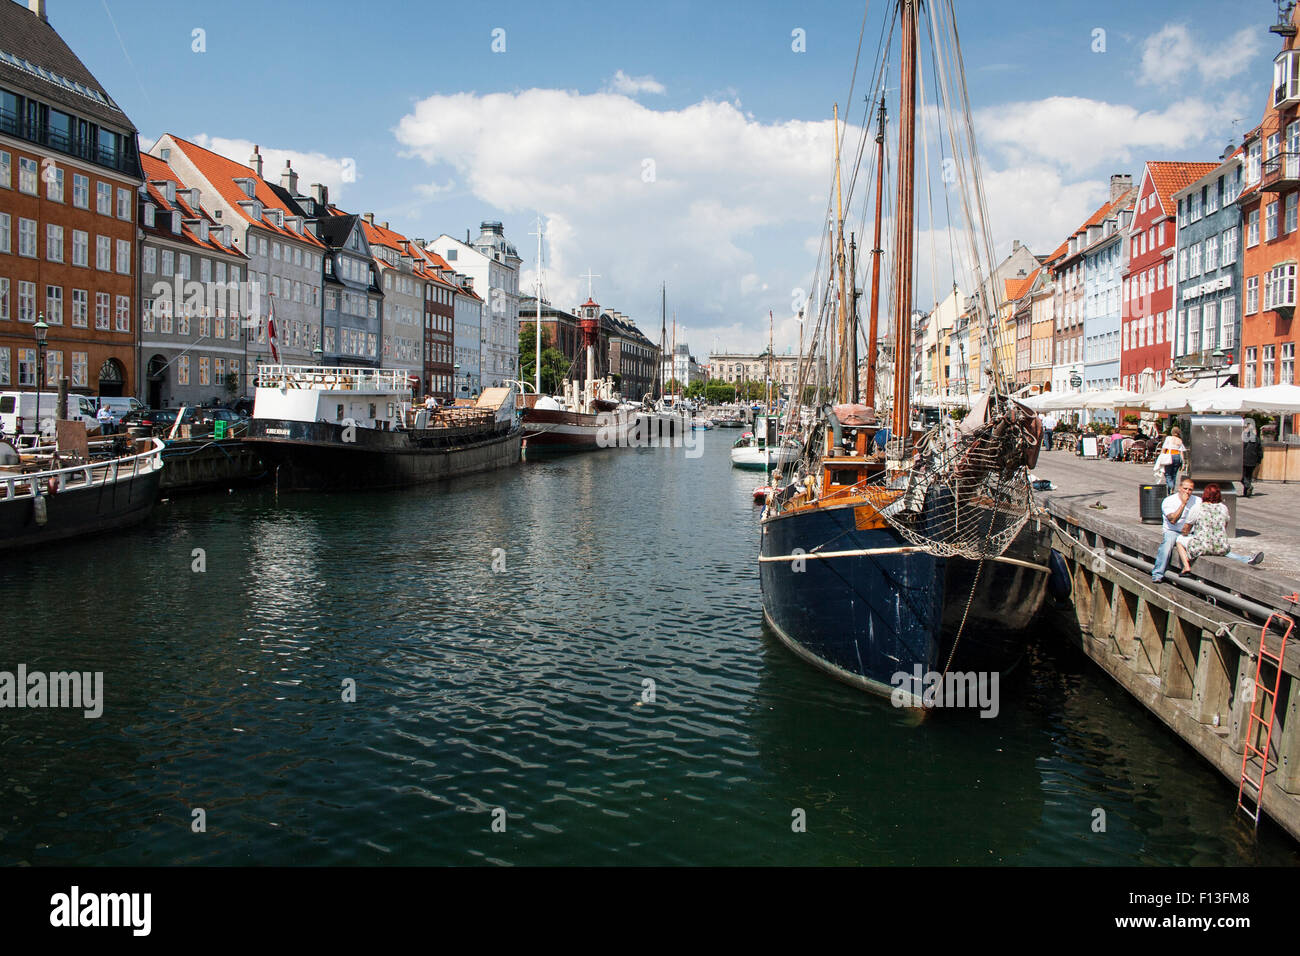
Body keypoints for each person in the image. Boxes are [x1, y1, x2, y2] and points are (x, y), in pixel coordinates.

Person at [1175, 482, 1263, 571]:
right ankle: (1246, 559)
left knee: (1179, 539)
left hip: (1201, 546)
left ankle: (1186, 567)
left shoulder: (1198, 507)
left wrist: (1187, 534)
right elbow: (1224, 527)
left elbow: (1186, 529)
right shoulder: (1223, 508)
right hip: (1222, 546)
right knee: (1218, 548)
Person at [1153, 476, 1199, 583]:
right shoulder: (1169, 500)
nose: (1187, 492)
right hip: (1172, 530)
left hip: (1189, 533)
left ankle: (1242, 559)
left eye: (1190, 489)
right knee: (1167, 544)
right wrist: (1183, 504)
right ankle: (1158, 573)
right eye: (1185, 488)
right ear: (1179, 488)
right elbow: (1173, 520)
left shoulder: (1197, 501)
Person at [1154, 425, 1186, 495]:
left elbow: (1164, 448)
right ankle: (1171, 489)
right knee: (1174, 474)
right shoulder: (1180, 440)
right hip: (1177, 457)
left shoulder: (1168, 438)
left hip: (1169, 456)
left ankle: (1170, 486)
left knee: (1168, 474)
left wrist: (1161, 457)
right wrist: (1183, 463)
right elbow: (1181, 452)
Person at [1242, 419, 1263, 497]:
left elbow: (1241, 449)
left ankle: (1248, 486)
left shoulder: (1243, 438)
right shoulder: (1257, 439)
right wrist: (1259, 460)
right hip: (1253, 460)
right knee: (1248, 476)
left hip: (1244, 459)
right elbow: (1260, 450)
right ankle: (1246, 492)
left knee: (1242, 476)